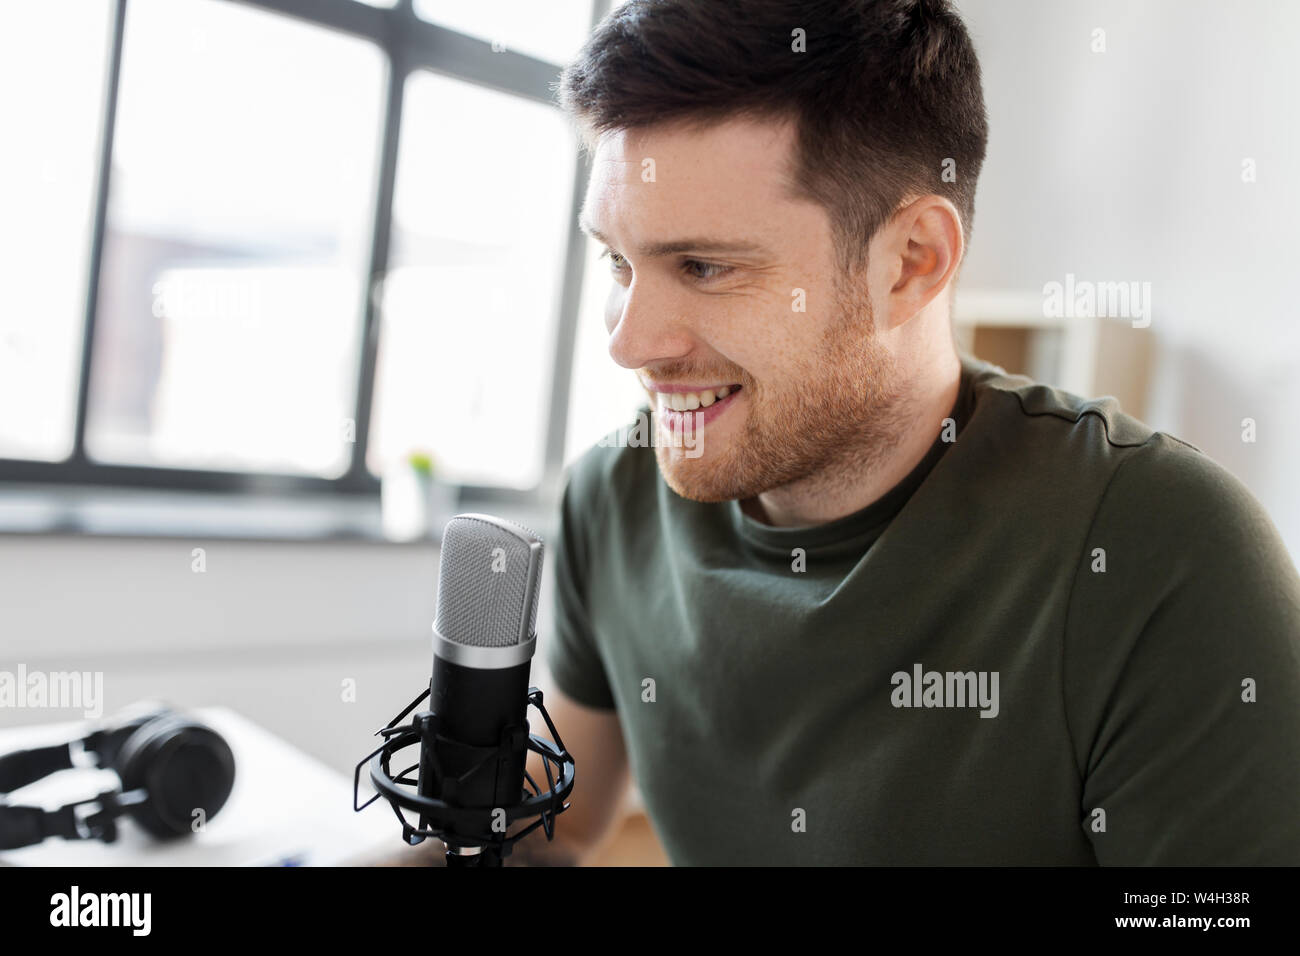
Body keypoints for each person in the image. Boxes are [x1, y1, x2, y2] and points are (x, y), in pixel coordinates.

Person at [372, 0, 1300, 866]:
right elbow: (555, 815)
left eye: (703, 265)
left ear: (910, 262)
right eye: (620, 261)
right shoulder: (612, 493)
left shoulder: (1164, 553)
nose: (628, 344)